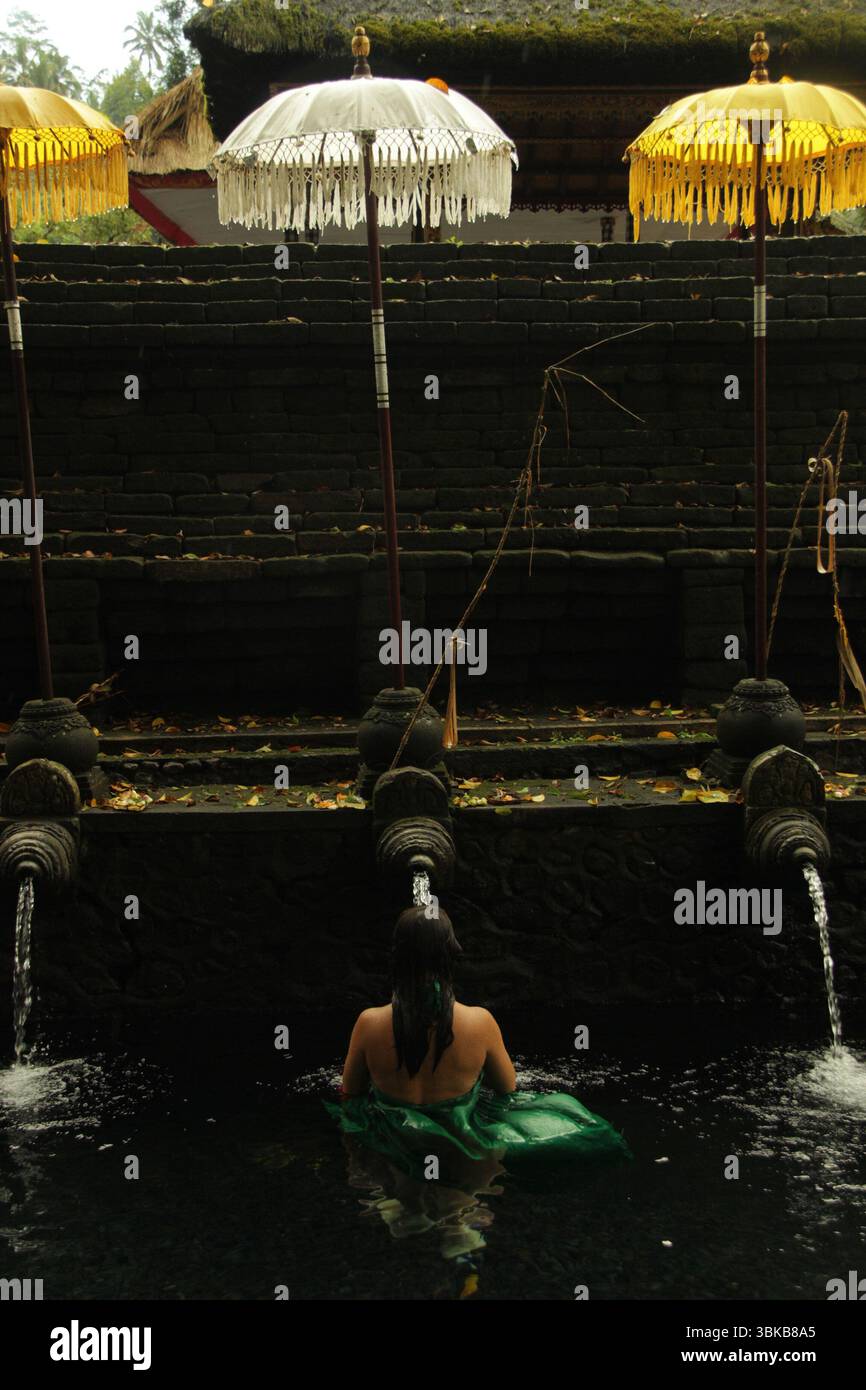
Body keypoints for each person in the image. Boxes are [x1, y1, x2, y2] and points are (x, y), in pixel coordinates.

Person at [324, 906, 630, 1173]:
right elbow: (506, 1088)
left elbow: (350, 1094)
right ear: (450, 953)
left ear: (398, 955)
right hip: (463, 1146)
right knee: (466, 1212)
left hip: (390, 1143)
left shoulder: (368, 1022)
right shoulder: (479, 1022)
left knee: (395, 1208)